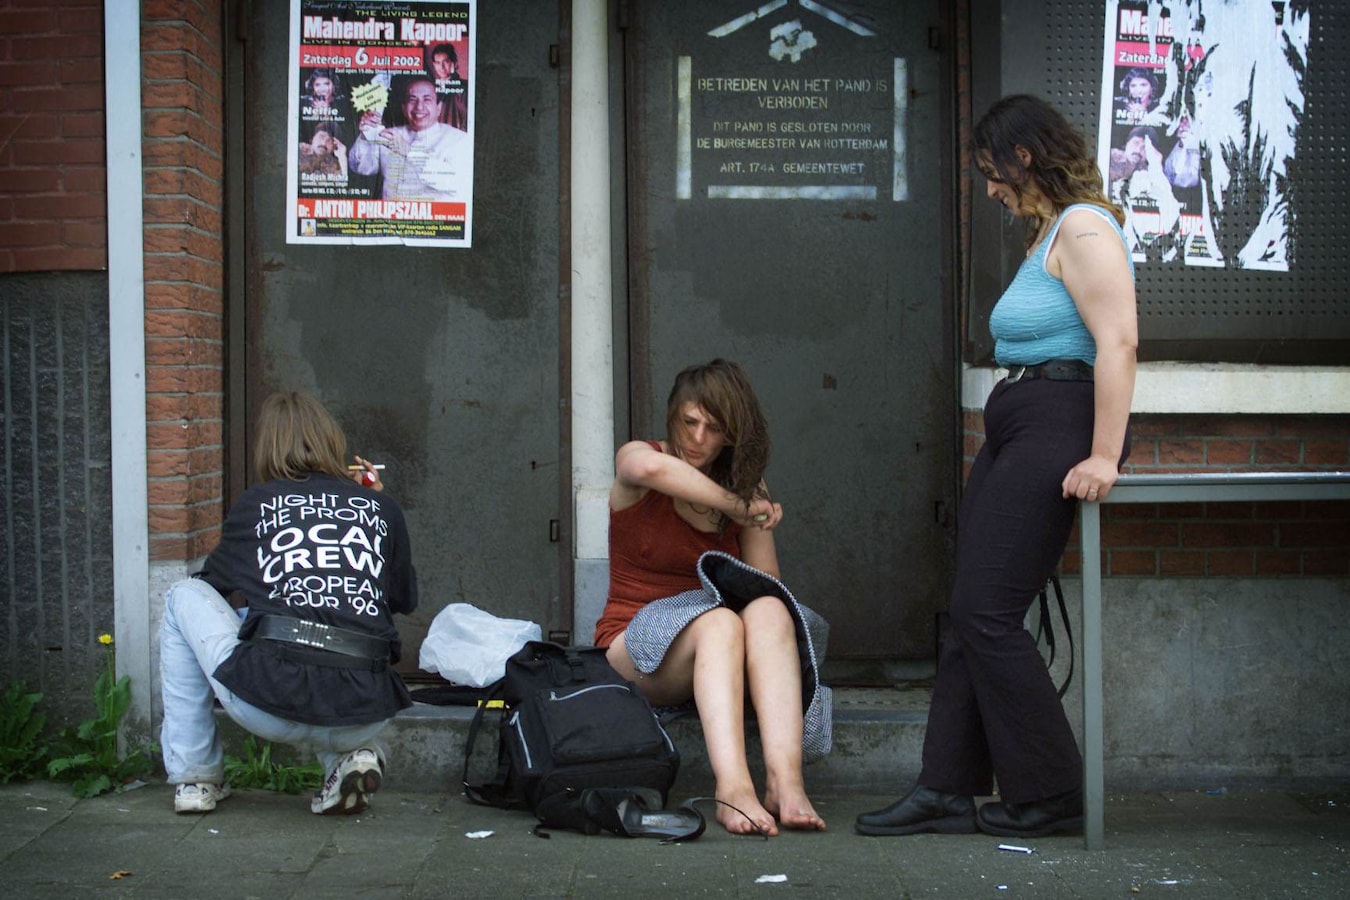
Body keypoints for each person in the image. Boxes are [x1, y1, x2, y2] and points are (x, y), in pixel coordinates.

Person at [856, 95, 1137, 839]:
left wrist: (1105, 454)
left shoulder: (1082, 226)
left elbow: (1119, 343)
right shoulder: (1046, 234)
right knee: (967, 612)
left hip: (1059, 421)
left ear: (1022, 156)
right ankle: (945, 785)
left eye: (990, 171)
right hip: (1020, 421)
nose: (989, 189)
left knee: (988, 612)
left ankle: (1050, 790)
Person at [595, 360, 829, 837]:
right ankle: (733, 787)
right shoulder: (641, 462)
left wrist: (747, 505)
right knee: (720, 623)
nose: (697, 438)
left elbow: (768, 590)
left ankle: (786, 781)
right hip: (635, 646)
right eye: (689, 421)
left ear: (731, 435)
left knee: (767, 608)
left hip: (722, 654)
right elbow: (649, 466)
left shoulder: (747, 489)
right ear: (671, 416)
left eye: (714, 428)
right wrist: (738, 507)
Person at [159, 391, 418, 816]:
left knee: (182, 597)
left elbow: (212, 585)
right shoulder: (381, 507)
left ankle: (196, 778)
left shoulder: (256, 504)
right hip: (366, 708)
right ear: (333, 441)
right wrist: (367, 510)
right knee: (327, 630)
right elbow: (403, 599)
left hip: (269, 705)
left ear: (269, 448)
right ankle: (349, 756)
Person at [348, 75, 471, 201]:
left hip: (433, 219)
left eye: (427, 99)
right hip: (388, 219)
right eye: (412, 100)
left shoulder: (459, 140)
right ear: (404, 107)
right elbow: (361, 167)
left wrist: (409, 152)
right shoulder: (390, 134)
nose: (419, 107)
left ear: (438, 108)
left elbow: (455, 183)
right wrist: (366, 134)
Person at [427, 42, 469, 130]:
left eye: (445, 62)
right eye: (437, 63)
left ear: (454, 63)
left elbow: (467, 122)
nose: (441, 67)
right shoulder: (431, 88)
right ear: (434, 65)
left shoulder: (463, 88)